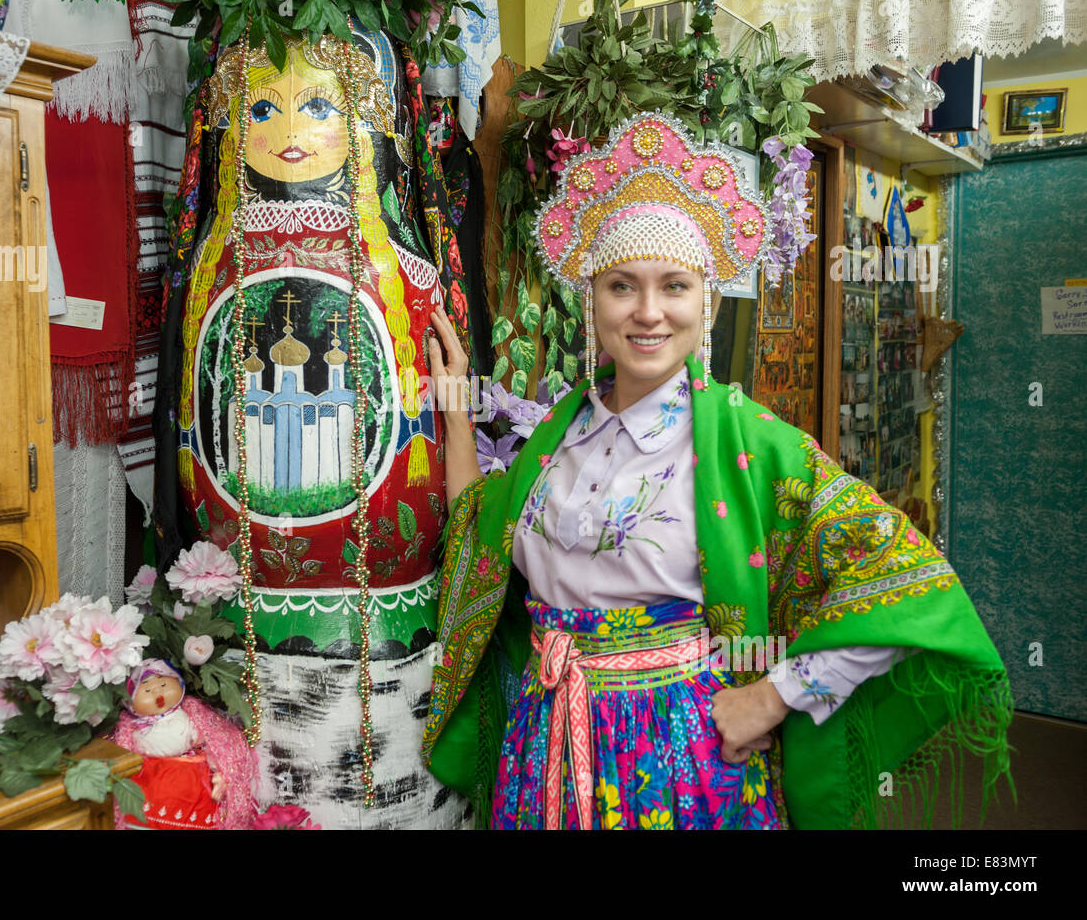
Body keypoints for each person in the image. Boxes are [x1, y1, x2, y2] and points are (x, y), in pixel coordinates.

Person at [421, 112, 1011, 830]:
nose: (647, 312)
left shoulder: (751, 444)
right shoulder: (555, 436)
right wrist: (455, 409)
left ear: (706, 302)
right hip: (545, 755)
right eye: (620, 286)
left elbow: (910, 584)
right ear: (592, 300)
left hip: (682, 764)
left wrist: (775, 694)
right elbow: (473, 538)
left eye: (674, 286)